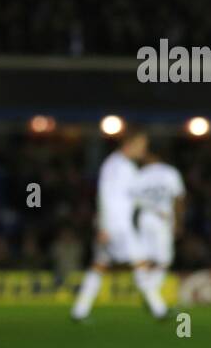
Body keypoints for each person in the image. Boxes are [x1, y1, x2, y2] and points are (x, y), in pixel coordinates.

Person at [70, 127, 169, 321]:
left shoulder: (126, 166)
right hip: (116, 227)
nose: (143, 150)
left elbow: (133, 195)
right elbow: (104, 196)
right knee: (141, 261)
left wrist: (156, 209)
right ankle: (159, 309)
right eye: (141, 146)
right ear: (129, 144)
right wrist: (104, 226)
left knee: (99, 266)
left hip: (114, 225)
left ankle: (79, 311)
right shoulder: (114, 166)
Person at [132, 150, 186, 299]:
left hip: (145, 218)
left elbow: (132, 201)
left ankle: (148, 292)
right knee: (164, 260)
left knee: (145, 258)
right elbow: (179, 198)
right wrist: (179, 222)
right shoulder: (170, 173)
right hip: (163, 219)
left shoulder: (140, 174)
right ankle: (151, 293)